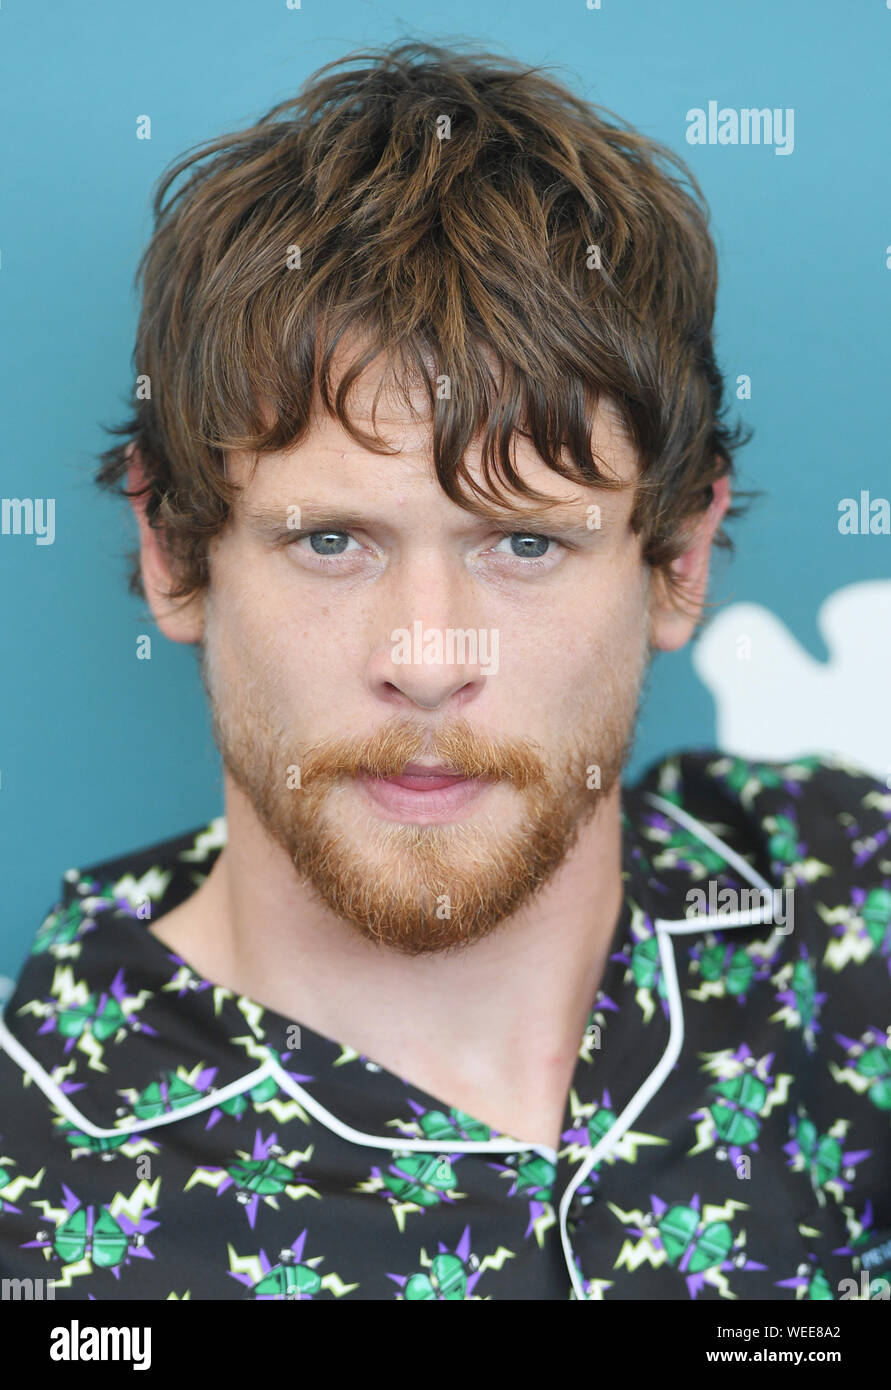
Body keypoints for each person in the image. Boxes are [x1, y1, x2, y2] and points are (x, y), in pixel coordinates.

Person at [1, 40, 888, 1302]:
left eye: (526, 541)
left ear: (679, 559)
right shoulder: (33, 1193)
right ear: (173, 550)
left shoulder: (850, 913)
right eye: (328, 540)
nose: (425, 660)